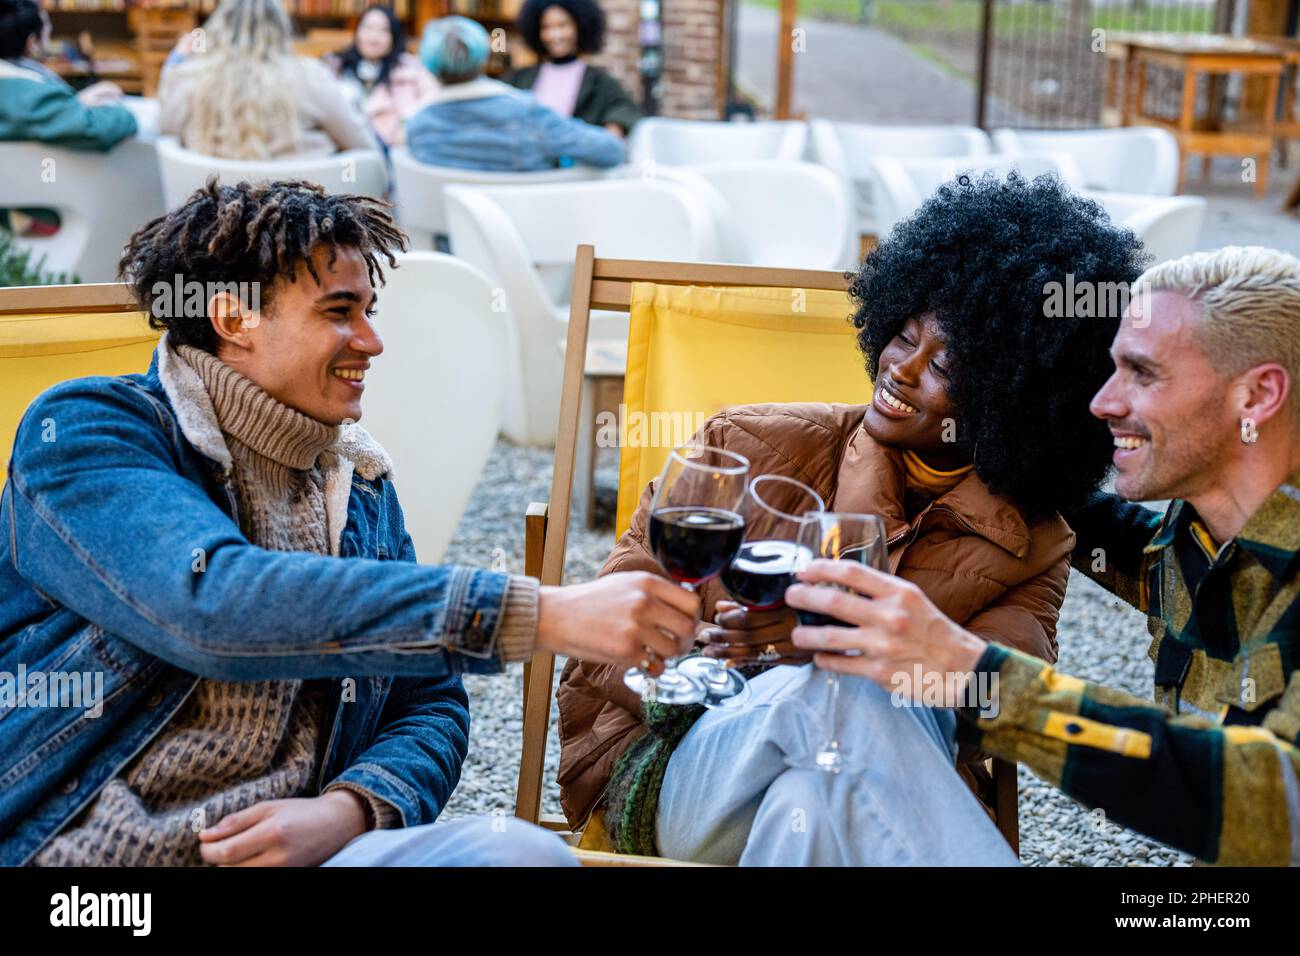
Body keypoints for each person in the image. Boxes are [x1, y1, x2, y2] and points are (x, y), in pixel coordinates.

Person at [0, 179, 700, 867]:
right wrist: (538, 614)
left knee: (522, 853)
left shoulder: (355, 483)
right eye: (340, 312)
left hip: (307, 850)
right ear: (233, 317)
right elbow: (212, 603)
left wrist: (352, 809)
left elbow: (429, 702)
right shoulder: (89, 432)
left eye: (369, 310)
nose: (371, 341)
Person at [556, 173, 1149, 864]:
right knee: (841, 691)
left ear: (1013, 397)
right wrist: (767, 663)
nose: (901, 369)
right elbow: (599, 654)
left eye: (945, 364)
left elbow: (990, 710)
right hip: (678, 773)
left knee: (810, 803)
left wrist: (829, 645)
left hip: (852, 808)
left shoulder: (1031, 545)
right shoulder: (744, 445)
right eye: (903, 336)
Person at [784, 245, 1300, 867]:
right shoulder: (1196, 545)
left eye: (1142, 373)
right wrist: (1003, 439)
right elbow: (1117, 540)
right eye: (1109, 371)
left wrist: (974, 673)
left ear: (1257, 395)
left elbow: (1276, 801)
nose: (1102, 403)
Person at [158, 0, 374, 160]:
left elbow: (164, 131)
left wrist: (177, 60)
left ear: (219, 27)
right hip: (301, 217)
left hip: (211, 218)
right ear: (281, 28)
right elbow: (362, 147)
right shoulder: (311, 78)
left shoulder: (191, 80)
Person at [405, 15, 623, 172]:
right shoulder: (529, 113)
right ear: (483, 57)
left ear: (430, 66)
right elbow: (611, 151)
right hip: (529, 229)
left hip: (451, 234)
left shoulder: (417, 128)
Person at [0, 0, 137, 239]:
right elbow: (99, 129)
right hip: (35, 216)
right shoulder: (26, 97)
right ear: (32, 43)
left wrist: (77, 101)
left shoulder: (13, 84)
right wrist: (120, 107)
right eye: (47, 30)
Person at [504, 0, 640, 136]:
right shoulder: (519, 78)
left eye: (562, 25)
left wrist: (615, 127)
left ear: (580, 26)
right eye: (546, 27)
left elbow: (624, 109)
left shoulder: (600, 82)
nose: (554, 35)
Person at [325, 5, 437, 148]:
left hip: (395, 150)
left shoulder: (412, 70)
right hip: (346, 153)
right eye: (368, 28)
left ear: (394, 36)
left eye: (383, 30)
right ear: (357, 31)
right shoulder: (335, 68)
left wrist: (405, 126)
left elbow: (431, 104)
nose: (374, 37)